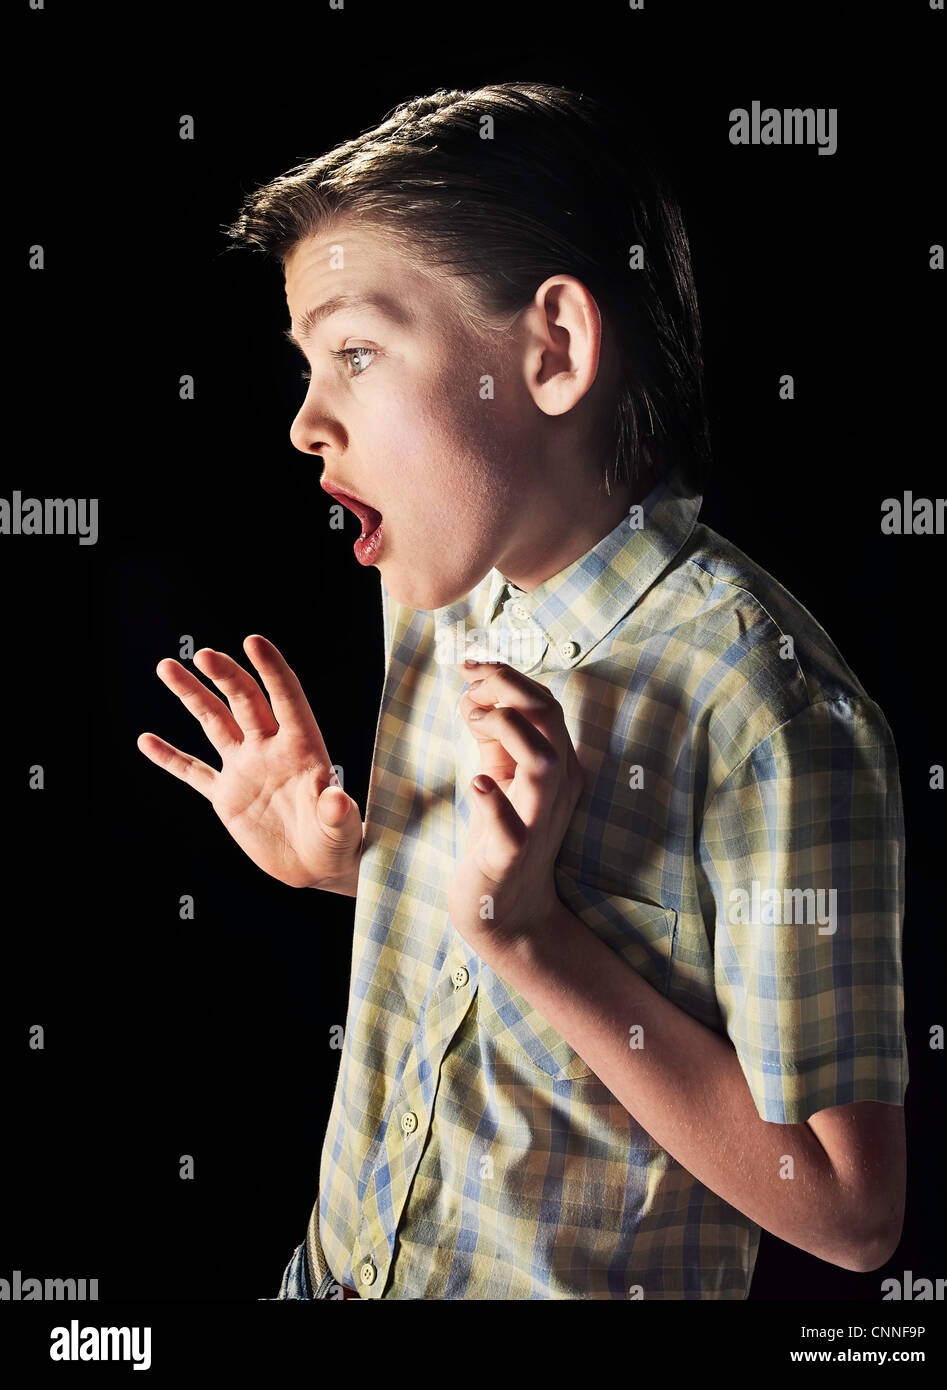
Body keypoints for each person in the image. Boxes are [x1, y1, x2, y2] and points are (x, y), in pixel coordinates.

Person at [137, 83, 907, 1299]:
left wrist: (535, 936)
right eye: (305, 364)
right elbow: (465, 954)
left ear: (550, 351)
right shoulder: (432, 586)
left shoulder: (771, 715)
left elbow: (854, 1211)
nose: (302, 423)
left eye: (353, 353)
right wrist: (358, 862)